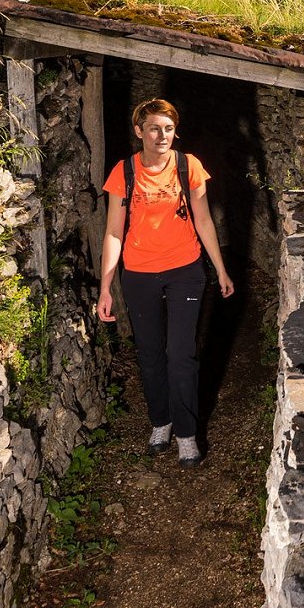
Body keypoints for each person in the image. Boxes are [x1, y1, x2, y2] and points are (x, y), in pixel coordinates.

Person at [97, 98, 235, 467]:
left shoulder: (188, 166)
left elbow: (204, 220)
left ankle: (187, 434)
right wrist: (105, 287)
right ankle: (161, 421)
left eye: (169, 129)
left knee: (181, 356)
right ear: (139, 131)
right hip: (139, 273)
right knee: (151, 355)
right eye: (155, 128)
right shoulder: (123, 173)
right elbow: (113, 232)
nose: (162, 136)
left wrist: (219, 268)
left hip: (184, 271)